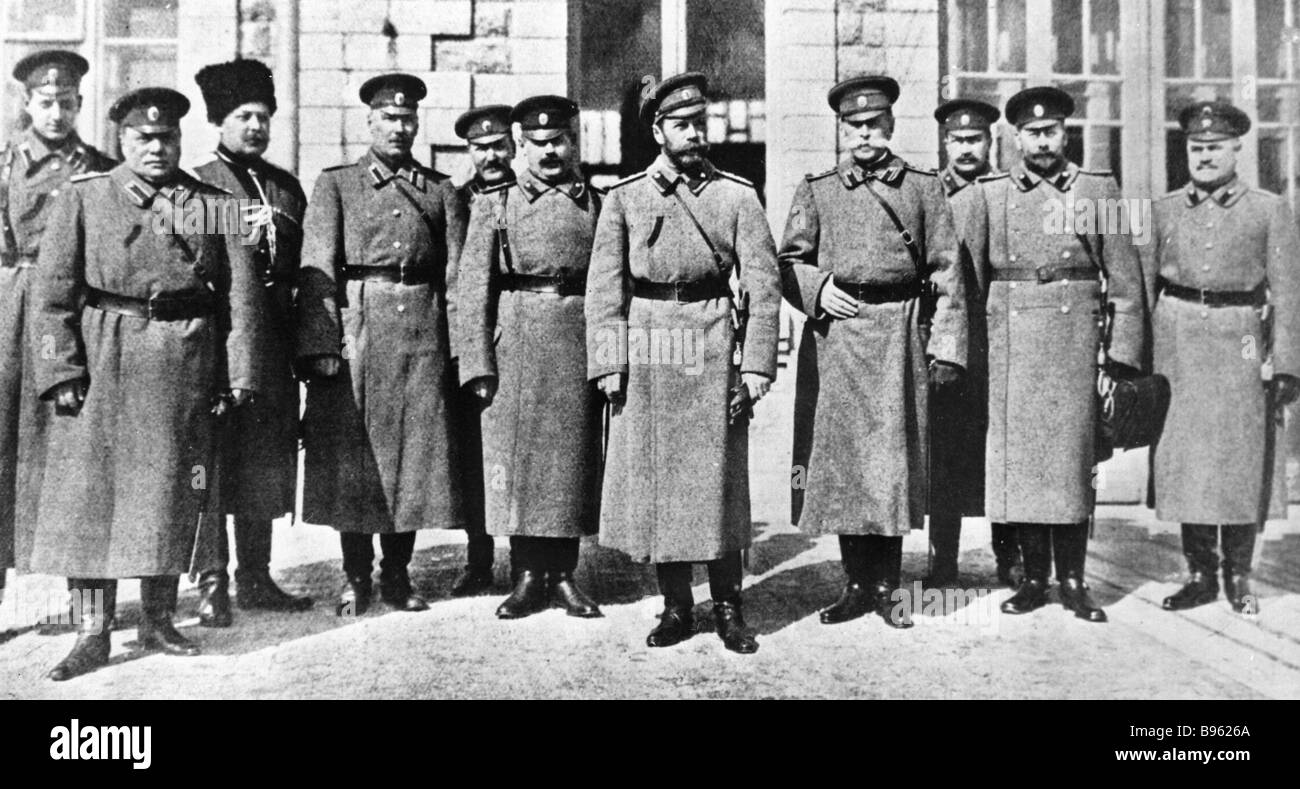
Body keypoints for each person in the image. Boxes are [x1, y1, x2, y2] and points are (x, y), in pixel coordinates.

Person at [32, 87, 265, 680]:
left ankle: (159, 620)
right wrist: (62, 371)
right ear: (121, 141)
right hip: (105, 361)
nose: (157, 148)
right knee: (91, 504)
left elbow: (240, 295)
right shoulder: (87, 198)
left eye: (167, 138)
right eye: (143, 138)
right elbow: (52, 297)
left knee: (167, 495)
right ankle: (91, 632)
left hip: (183, 366)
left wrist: (239, 373)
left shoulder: (207, 203)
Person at [586, 72, 781, 654]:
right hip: (647, 344)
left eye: (699, 122)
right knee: (658, 480)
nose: (693, 134)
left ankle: (728, 606)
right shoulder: (624, 198)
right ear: (657, 131)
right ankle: (676, 605)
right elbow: (605, 289)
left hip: (713, 338)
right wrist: (609, 361)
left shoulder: (738, 196)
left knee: (719, 480)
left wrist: (757, 368)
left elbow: (764, 285)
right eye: (680, 124)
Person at [780, 76, 967, 628]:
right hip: (839, 337)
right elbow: (787, 262)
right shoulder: (818, 189)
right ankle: (854, 584)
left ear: (890, 126)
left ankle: (887, 586)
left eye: (873, 125)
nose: (863, 134)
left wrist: (947, 350)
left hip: (900, 333)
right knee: (843, 465)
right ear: (841, 130)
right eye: (853, 126)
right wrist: (816, 290)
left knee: (890, 463)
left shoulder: (923, 188)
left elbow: (949, 273)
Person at [964, 86, 1147, 623]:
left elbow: (1128, 284)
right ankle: (1032, 578)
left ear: (1065, 133)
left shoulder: (1099, 190)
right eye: (1032, 134)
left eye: (1051, 132)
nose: (1042, 142)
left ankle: (1073, 580)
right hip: (1011, 344)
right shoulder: (989, 194)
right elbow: (968, 282)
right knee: (1022, 466)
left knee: (1071, 465)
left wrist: (1119, 357)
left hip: (1074, 346)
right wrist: (969, 351)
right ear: (1015, 138)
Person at [296, 73, 467, 616]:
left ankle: (397, 575)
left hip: (422, 331)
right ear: (369, 121)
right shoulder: (337, 184)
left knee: (414, 459)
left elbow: (458, 276)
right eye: (389, 118)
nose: (399, 126)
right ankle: (355, 576)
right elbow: (317, 266)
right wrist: (321, 344)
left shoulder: (439, 191)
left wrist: (461, 353)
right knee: (355, 459)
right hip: (358, 337)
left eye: (408, 118)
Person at [1150, 101, 1300, 615]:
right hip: (1179, 342)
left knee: (1239, 459)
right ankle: (1199, 574)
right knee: (1188, 460)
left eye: (1215, 148)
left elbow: (1289, 292)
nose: (1205, 156)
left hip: (1241, 341)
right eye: (1197, 148)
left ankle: (1238, 574)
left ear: (1237, 149)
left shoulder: (1268, 208)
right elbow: (1144, 287)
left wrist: (1287, 365)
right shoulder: (1165, 208)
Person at [459, 95, 603, 619]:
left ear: (572, 141)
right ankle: (524, 576)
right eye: (538, 143)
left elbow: (612, 286)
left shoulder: (598, 206)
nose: (549, 151)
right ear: (521, 144)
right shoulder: (496, 204)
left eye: (558, 141)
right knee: (518, 462)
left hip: (576, 339)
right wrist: (476, 364)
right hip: (516, 342)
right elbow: (473, 289)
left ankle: (564, 575)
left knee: (570, 461)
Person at [191, 58, 313, 626]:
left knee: (264, 461)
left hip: (273, 348)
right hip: (216, 345)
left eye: (263, 116)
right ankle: (212, 580)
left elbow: (303, 268)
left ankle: (257, 576)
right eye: (243, 116)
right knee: (215, 464)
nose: (256, 127)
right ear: (219, 121)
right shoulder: (192, 186)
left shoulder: (286, 188)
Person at [0, 50, 114, 625]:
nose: (56, 113)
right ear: (27, 103)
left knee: (79, 467)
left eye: (66, 103)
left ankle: (87, 612)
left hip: (73, 324)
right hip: (8, 322)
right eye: (46, 103)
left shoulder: (99, 168)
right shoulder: (2, 165)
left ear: (79, 104)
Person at [928, 97, 1021, 588]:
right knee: (946, 453)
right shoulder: (929, 192)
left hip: (999, 342)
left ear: (991, 143)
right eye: (957, 141)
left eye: (975, 140)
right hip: (948, 342)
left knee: (1000, 452)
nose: (966, 149)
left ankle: (1011, 559)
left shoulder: (1005, 192)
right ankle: (943, 560)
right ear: (945, 143)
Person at [444, 103, 517, 597]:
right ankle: (478, 559)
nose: (489, 156)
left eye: (497, 147)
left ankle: (534, 561)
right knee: (473, 455)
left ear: (513, 147)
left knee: (519, 451)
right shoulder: (457, 199)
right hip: (466, 341)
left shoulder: (525, 195)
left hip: (516, 339)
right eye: (479, 148)